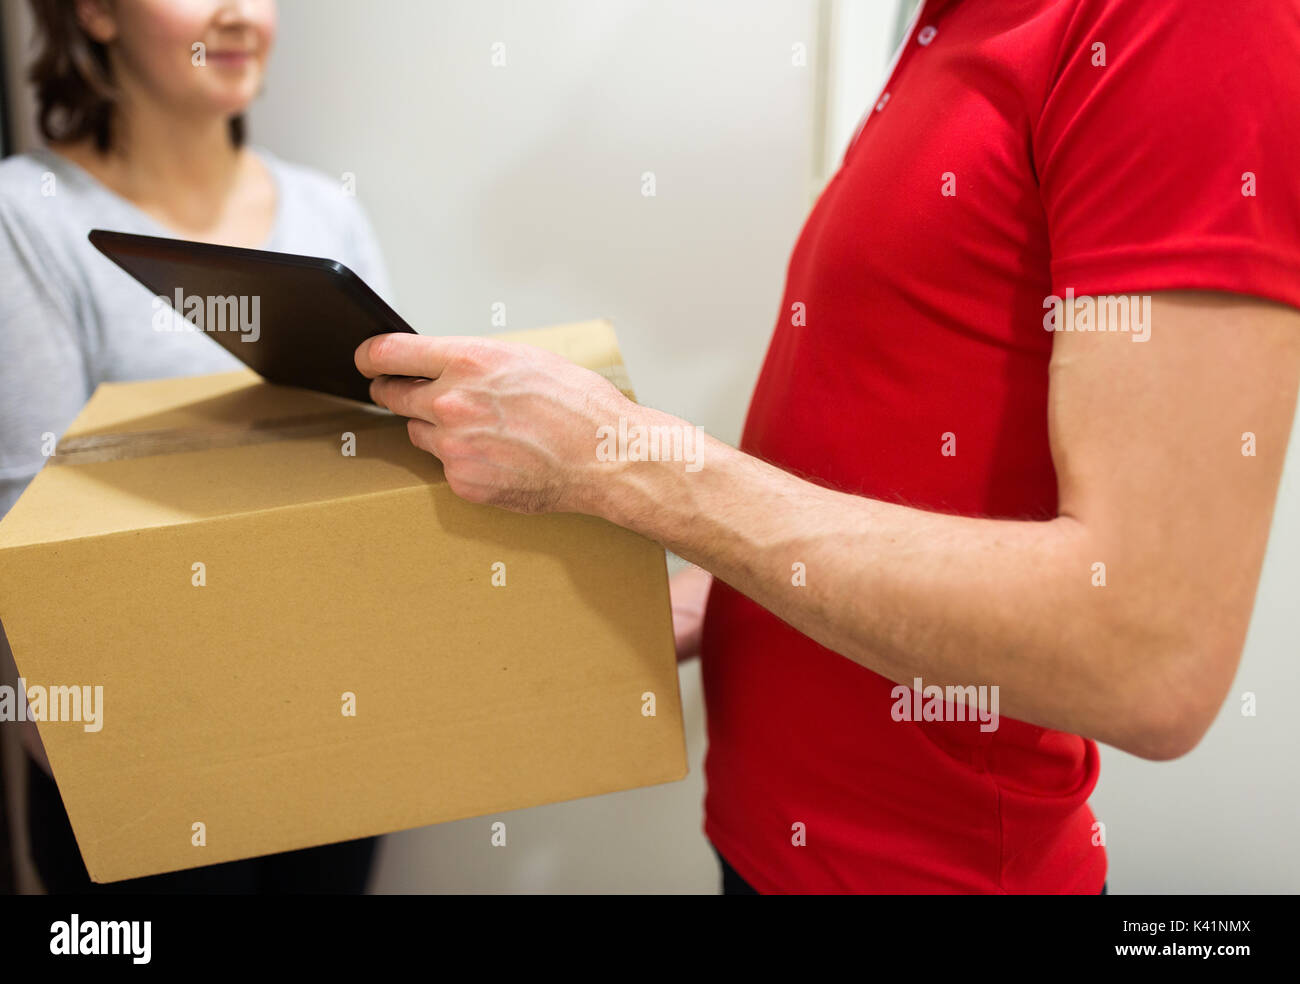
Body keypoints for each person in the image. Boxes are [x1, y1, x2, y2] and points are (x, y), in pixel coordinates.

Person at [352, 0, 1300, 893]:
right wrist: (727, 603)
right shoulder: (951, 28)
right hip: (770, 848)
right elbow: (918, 467)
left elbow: (1146, 652)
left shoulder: (1183, 21)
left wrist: (619, 458)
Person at [0, 0, 388, 893]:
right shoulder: (32, 218)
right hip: (137, 754)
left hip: (334, 733)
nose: (242, 14)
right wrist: (101, 766)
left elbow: (381, 474)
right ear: (94, 12)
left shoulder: (327, 216)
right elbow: (31, 534)